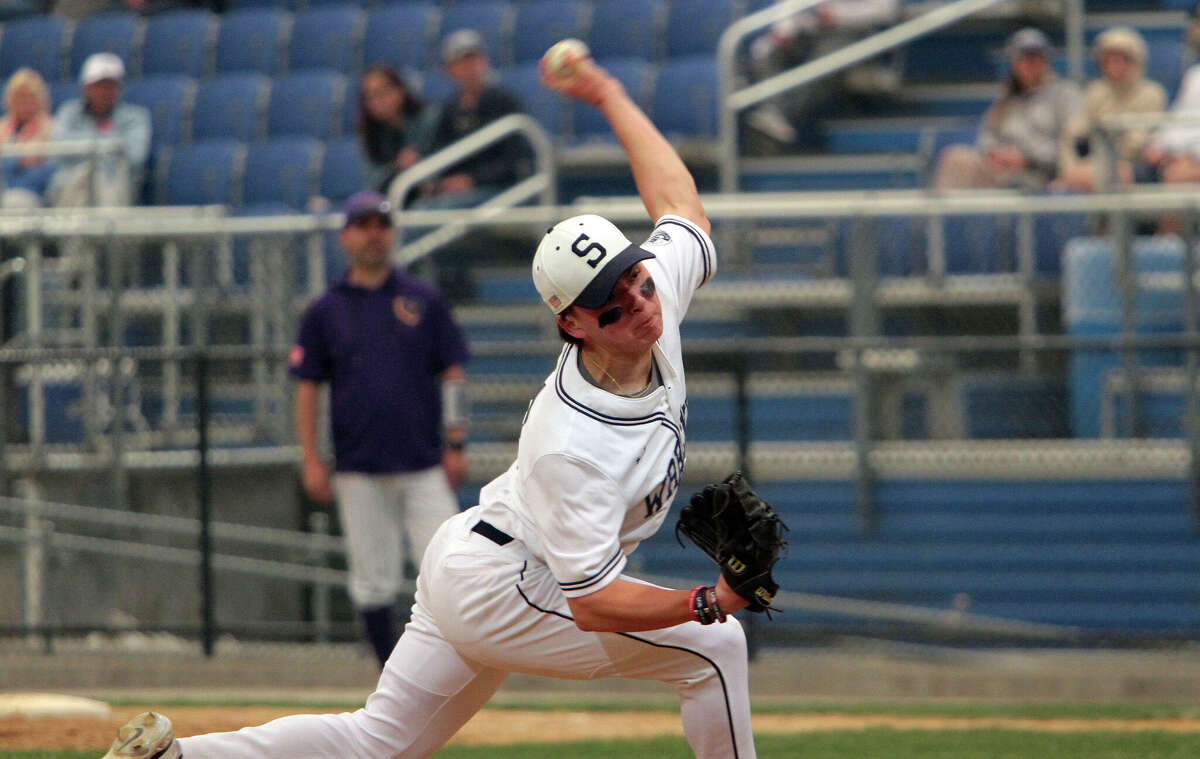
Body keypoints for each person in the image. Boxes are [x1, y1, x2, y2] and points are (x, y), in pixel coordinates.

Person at [99, 44, 757, 759]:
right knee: (713, 645)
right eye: (609, 303)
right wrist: (706, 600)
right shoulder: (573, 444)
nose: (637, 302)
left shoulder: (655, 291)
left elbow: (678, 203)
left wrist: (605, 95)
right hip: (513, 585)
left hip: (473, 552)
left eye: (636, 279)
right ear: (571, 323)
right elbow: (593, 603)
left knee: (375, 741)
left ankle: (178, 758)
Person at [289, 190, 471, 669]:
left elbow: (452, 371)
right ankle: (391, 673)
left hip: (421, 460)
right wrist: (310, 456)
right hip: (359, 464)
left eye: (381, 224)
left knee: (450, 566)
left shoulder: (422, 298)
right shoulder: (326, 309)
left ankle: (453, 665)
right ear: (346, 235)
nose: (374, 234)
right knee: (373, 578)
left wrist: (455, 440)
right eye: (364, 225)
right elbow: (307, 386)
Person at [931, 28, 1081, 192]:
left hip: (1039, 173)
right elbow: (987, 137)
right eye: (1023, 59)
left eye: (1035, 57)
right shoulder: (1006, 99)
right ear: (1014, 64)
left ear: (1045, 60)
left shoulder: (1064, 94)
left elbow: (1073, 144)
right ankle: (941, 217)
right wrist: (997, 154)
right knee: (955, 158)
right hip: (1000, 170)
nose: (1029, 64)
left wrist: (1027, 158)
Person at [744, 0, 900, 147]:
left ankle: (780, 114)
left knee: (827, 58)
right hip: (810, 31)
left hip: (854, 31)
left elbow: (887, 9)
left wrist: (838, 14)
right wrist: (784, 29)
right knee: (766, 50)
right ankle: (777, 116)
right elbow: (791, 6)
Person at [415, 29, 527, 209]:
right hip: (459, 193)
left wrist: (472, 180)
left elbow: (514, 159)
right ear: (449, 69)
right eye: (461, 61)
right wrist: (441, 183)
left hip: (499, 190)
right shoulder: (449, 110)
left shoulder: (504, 103)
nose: (469, 67)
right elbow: (441, 154)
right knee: (419, 208)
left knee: (439, 210)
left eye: (473, 59)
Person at [1055, 26, 1166, 192]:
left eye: (1122, 59)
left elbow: (1137, 142)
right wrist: (1070, 167)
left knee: (1114, 176)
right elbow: (1072, 133)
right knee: (1060, 186)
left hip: (1139, 167)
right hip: (1098, 163)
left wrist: (1102, 163)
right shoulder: (1096, 92)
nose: (1115, 66)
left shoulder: (1152, 93)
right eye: (1110, 60)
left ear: (1135, 61)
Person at [46, 53, 150, 207]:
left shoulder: (135, 117)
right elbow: (61, 148)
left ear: (119, 89)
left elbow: (135, 156)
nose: (105, 91)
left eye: (111, 86)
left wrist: (87, 148)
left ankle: (107, 229)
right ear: (85, 88)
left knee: (102, 178)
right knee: (83, 174)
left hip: (116, 185)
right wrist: (109, 143)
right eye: (99, 85)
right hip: (71, 186)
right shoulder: (68, 112)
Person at [357, 64, 437, 194]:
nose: (376, 101)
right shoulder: (370, 136)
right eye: (369, 96)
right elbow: (373, 182)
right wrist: (396, 167)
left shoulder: (430, 120)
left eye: (381, 92)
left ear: (400, 90)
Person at [0, 67, 55, 209]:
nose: (24, 102)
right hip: (3, 189)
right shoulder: (2, 127)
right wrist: (19, 160)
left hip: (36, 192)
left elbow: (48, 168)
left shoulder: (51, 127)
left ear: (40, 99)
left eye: (30, 96)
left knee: (15, 201)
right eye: (19, 96)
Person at [1142, 62, 1200, 185]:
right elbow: (1179, 117)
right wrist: (1160, 145)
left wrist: (1193, 157)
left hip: (1191, 158)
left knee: (1180, 175)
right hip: (1180, 155)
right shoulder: (1195, 75)